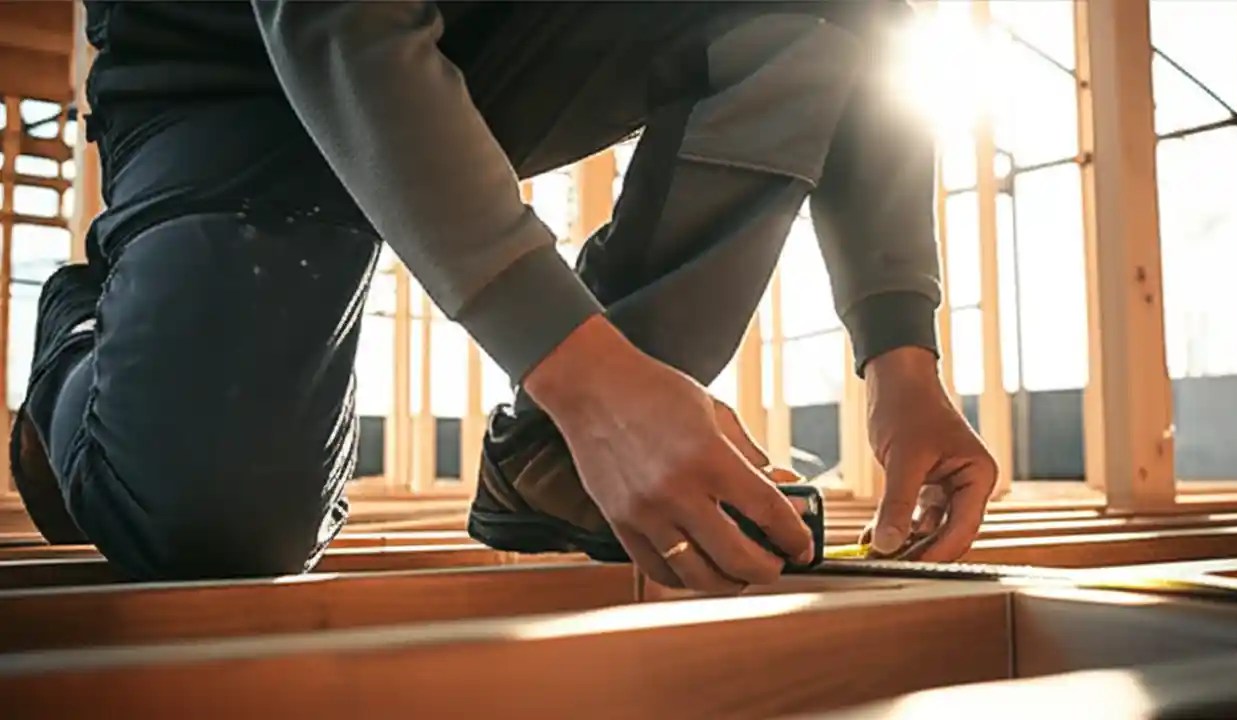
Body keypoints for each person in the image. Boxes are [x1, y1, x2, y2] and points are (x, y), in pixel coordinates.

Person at [13, 1, 996, 590]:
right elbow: (331, 15)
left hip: (487, 33)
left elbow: (871, 22)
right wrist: (582, 371)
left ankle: (552, 463)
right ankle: (84, 337)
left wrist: (902, 360)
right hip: (228, 63)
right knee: (220, 526)